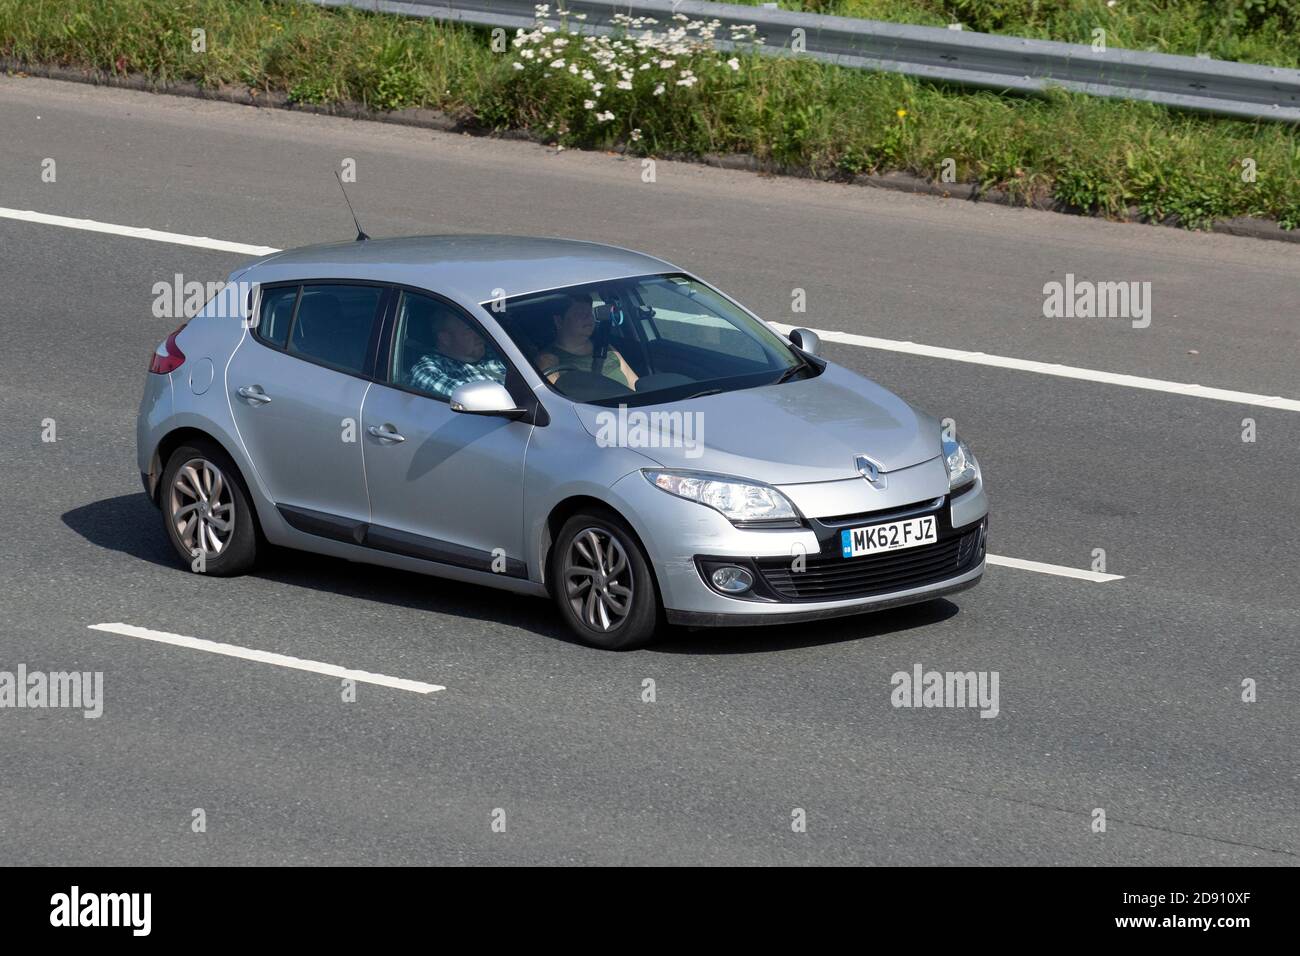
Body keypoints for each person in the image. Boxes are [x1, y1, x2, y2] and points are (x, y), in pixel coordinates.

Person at [537, 294, 639, 390]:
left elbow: (636, 385)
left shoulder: (605, 347)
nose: (588, 317)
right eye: (580, 313)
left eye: (589, 312)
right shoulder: (548, 361)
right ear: (558, 321)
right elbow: (561, 400)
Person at [410, 312, 508, 400]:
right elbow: (474, 401)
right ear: (445, 339)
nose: (479, 334)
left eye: (478, 328)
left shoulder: (496, 353)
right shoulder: (429, 369)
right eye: (469, 330)